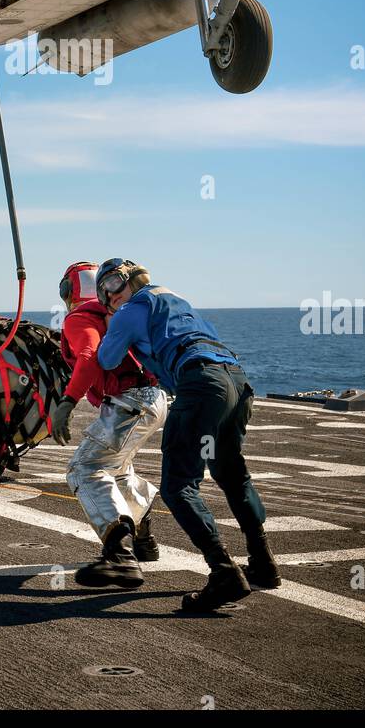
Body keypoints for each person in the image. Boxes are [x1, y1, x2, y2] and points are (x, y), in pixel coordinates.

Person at [96, 259, 281, 613]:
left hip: (200, 384)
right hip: (236, 380)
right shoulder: (175, 299)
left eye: (111, 284)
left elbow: (106, 358)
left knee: (178, 486)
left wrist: (110, 324)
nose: (109, 293)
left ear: (127, 282)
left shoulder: (130, 310)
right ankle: (263, 562)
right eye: (105, 288)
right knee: (232, 473)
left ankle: (224, 571)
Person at [52, 260, 168, 589]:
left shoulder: (79, 319)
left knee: (84, 468)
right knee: (117, 470)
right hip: (153, 399)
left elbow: (89, 357)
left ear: (68, 291)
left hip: (129, 403)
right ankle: (142, 512)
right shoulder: (117, 311)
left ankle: (119, 555)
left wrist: (67, 401)